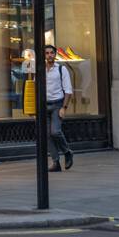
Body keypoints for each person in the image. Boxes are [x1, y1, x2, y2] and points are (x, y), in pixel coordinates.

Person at [44, 44, 75, 172]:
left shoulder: (62, 69)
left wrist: (64, 107)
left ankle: (67, 152)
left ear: (55, 55)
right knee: (48, 135)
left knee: (55, 132)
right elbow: (35, 88)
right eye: (47, 53)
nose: (49, 55)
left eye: (51, 53)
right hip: (44, 105)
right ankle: (55, 162)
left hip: (57, 104)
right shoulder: (40, 70)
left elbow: (68, 90)